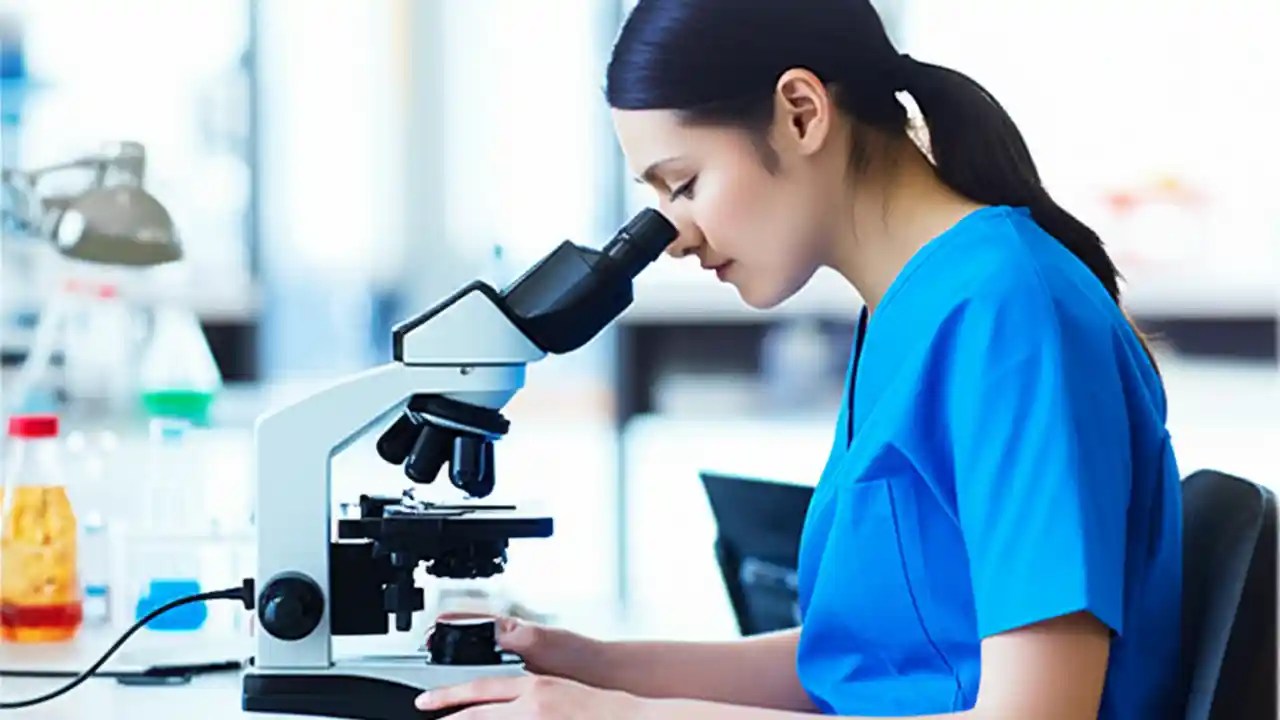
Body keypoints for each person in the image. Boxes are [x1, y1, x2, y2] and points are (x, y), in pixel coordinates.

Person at [416, 0, 1182, 717]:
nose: (675, 236)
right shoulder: (906, 311)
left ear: (802, 112)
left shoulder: (1009, 311)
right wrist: (587, 665)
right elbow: (855, 668)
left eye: (684, 184)